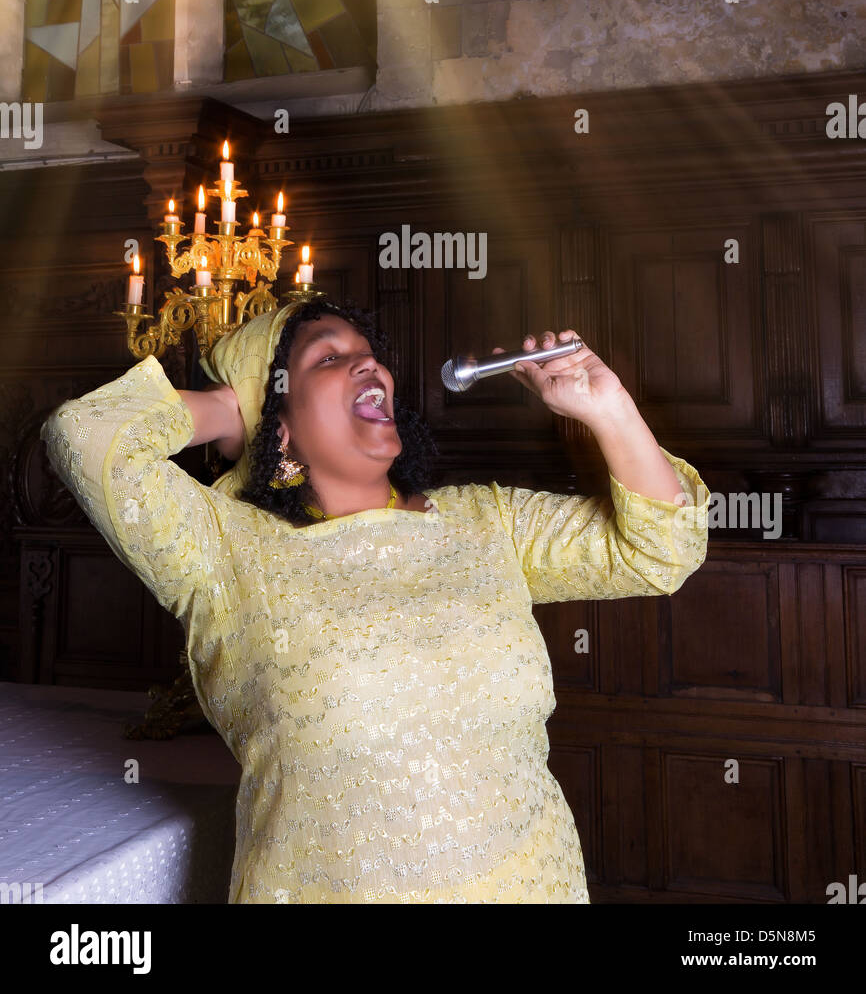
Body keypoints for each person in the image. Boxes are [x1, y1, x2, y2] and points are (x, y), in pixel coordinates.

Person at [40, 295, 710, 904]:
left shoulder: (487, 522)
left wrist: (608, 404)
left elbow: (660, 550)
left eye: (371, 358)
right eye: (329, 359)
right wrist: (231, 405)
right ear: (279, 423)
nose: (372, 370)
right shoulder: (224, 550)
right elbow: (86, 436)